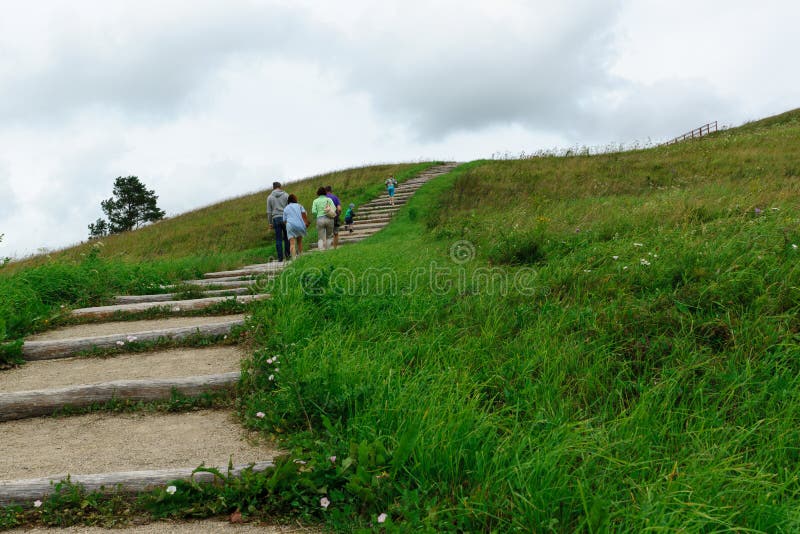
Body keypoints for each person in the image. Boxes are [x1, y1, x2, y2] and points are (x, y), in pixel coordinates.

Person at [266, 181, 290, 262]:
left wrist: (270, 223)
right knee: (287, 237)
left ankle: (280, 258)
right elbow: (289, 208)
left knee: (278, 239)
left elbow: (269, 212)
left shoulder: (269, 197)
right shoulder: (286, 195)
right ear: (280, 186)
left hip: (276, 218)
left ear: (273, 188)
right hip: (285, 218)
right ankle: (288, 255)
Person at [283, 194, 309, 259]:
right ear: (295, 199)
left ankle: (294, 259)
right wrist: (306, 223)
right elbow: (304, 215)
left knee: (292, 243)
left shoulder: (286, 208)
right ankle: (301, 257)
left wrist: (288, 226)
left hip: (290, 225)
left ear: (288, 201)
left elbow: (284, 220)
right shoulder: (300, 206)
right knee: (299, 242)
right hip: (299, 225)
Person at [311, 186, 336, 251]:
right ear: (325, 192)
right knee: (329, 236)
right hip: (329, 219)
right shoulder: (329, 200)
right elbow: (334, 209)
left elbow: (313, 211)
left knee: (320, 237)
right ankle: (328, 250)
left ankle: (321, 251)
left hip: (320, 219)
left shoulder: (315, 201)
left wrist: (318, 214)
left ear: (318, 193)